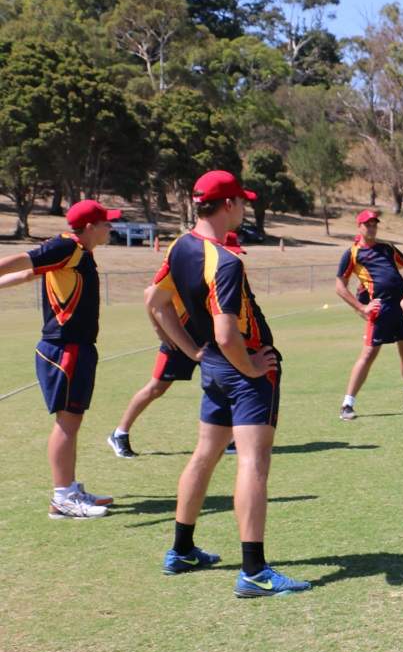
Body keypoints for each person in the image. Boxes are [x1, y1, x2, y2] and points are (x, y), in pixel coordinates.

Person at [146, 170, 310, 593]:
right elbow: (225, 331)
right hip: (242, 370)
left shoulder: (182, 245)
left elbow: (155, 302)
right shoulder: (226, 260)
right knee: (253, 463)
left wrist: (191, 351)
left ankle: (181, 550)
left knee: (205, 454)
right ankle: (254, 571)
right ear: (228, 205)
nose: (243, 208)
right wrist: (252, 367)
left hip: (215, 369)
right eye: (241, 201)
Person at [0, 199, 120, 518]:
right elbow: (22, 260)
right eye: (107, 223)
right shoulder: (66, 247)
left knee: (71, 421)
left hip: (76, 348)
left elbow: (27, 276)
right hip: (64, 349)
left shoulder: (79, 253)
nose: (111, 227)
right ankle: (62, 497)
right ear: (91, 227)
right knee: (67, 423)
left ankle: (69, 488)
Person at [109, 232, 246, 460]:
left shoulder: (226, 269)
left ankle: (230, 439)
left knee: (225, 384)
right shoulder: (191, 265)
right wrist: (160, 331)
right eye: (231, 251)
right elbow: (150, 296)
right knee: (156, 388)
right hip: (180, 336)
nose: (233, 256)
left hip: (209, 337)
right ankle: (119, 433)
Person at [336, 210, 403, 419]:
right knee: (369, 354)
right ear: (359, 226)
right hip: (381, 310)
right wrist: (362, 308)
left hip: (401, 308)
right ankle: (347, 404)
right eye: (367, 224)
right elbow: (340, 287)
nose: (372, 227)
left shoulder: (387, 247)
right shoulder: (353, 253)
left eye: (374, 224)